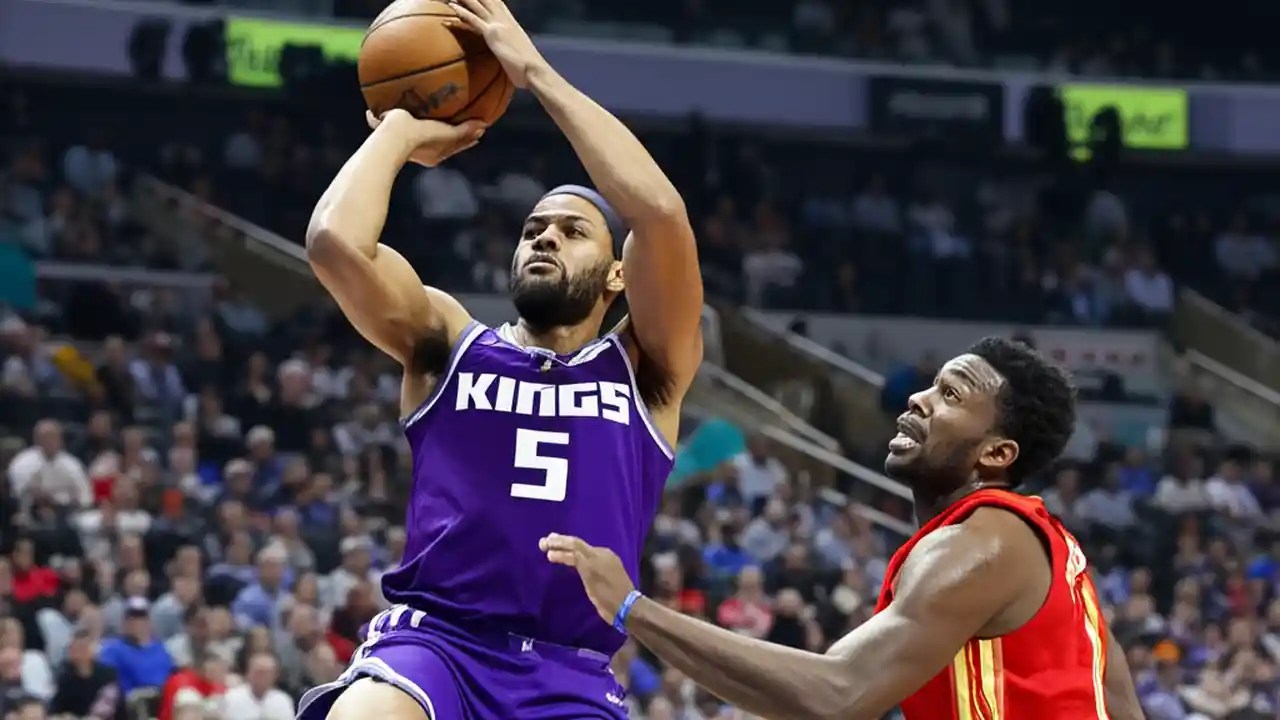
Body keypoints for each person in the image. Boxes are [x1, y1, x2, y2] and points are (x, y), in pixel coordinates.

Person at [297, 0, 703, 718]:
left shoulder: (646, 370)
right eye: (532, 229)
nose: (544, 239)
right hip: (435, 647)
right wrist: (400, 129)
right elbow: (334, 243)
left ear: (617, 277)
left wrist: (534, 73)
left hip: (569, 673)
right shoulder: (448, 341)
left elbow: (660, 216)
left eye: (572, 230)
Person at [542, 337, 1146, 719]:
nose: (917, 399)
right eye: (931, 384)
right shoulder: (1059, 560)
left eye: (952, 395)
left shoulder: (983, 543)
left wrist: (631, 608)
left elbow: (837, 697)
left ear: (997, 454)